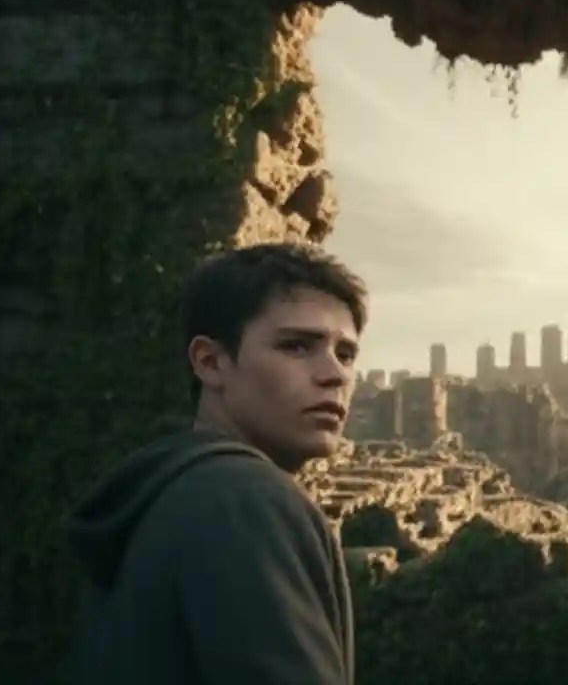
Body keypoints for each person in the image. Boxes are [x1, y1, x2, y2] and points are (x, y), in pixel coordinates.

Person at [65, 242, 367, 684]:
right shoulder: (246, 500)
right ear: (211, 362)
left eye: (346, 354)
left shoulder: (167, 492)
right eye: (297, 346)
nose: (334, 374)